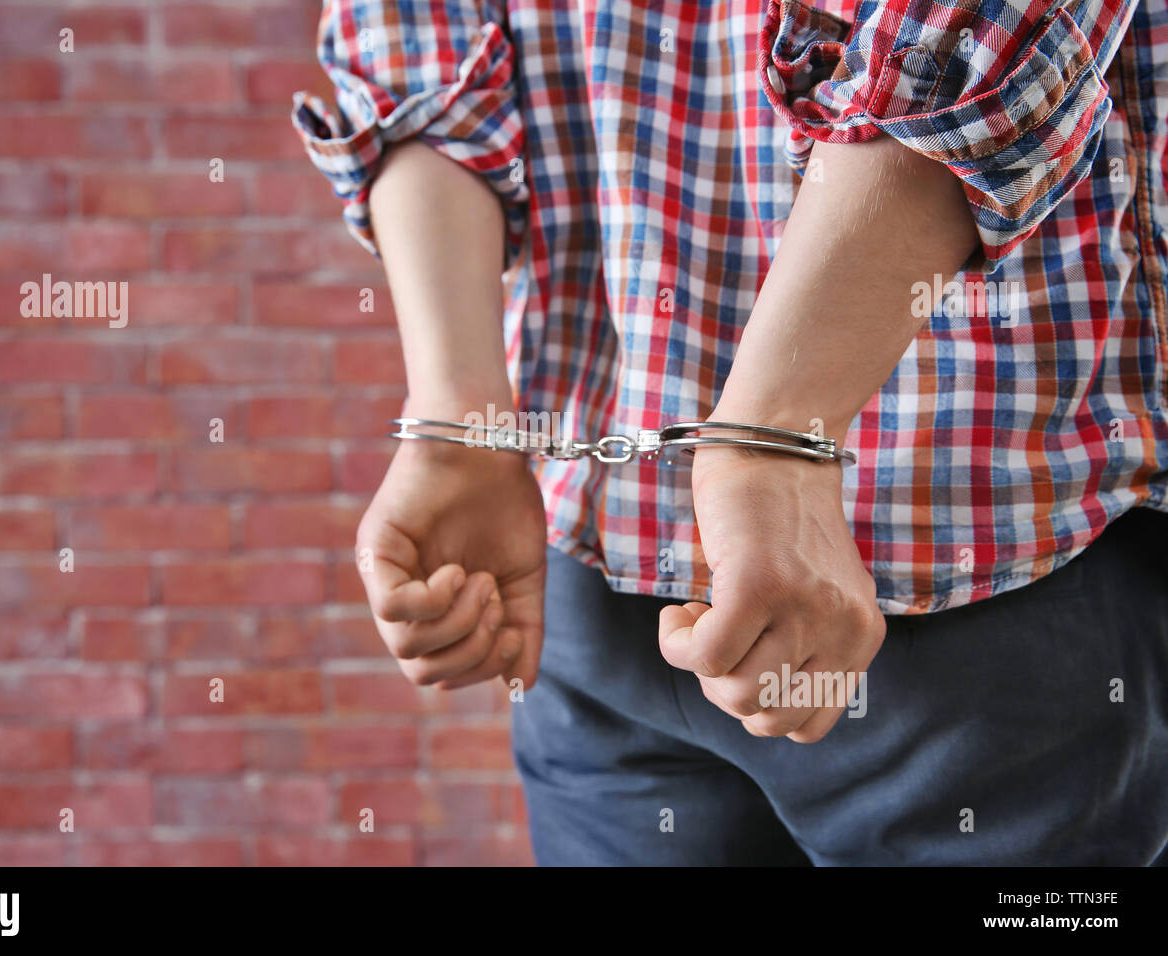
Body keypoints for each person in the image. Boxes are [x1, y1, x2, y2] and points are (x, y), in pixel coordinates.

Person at [294, 0, 1168, 864]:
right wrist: (770, 437)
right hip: (958, 549)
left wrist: (463, 423)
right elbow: (971, 34)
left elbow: (411, 54)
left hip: (672, 571)